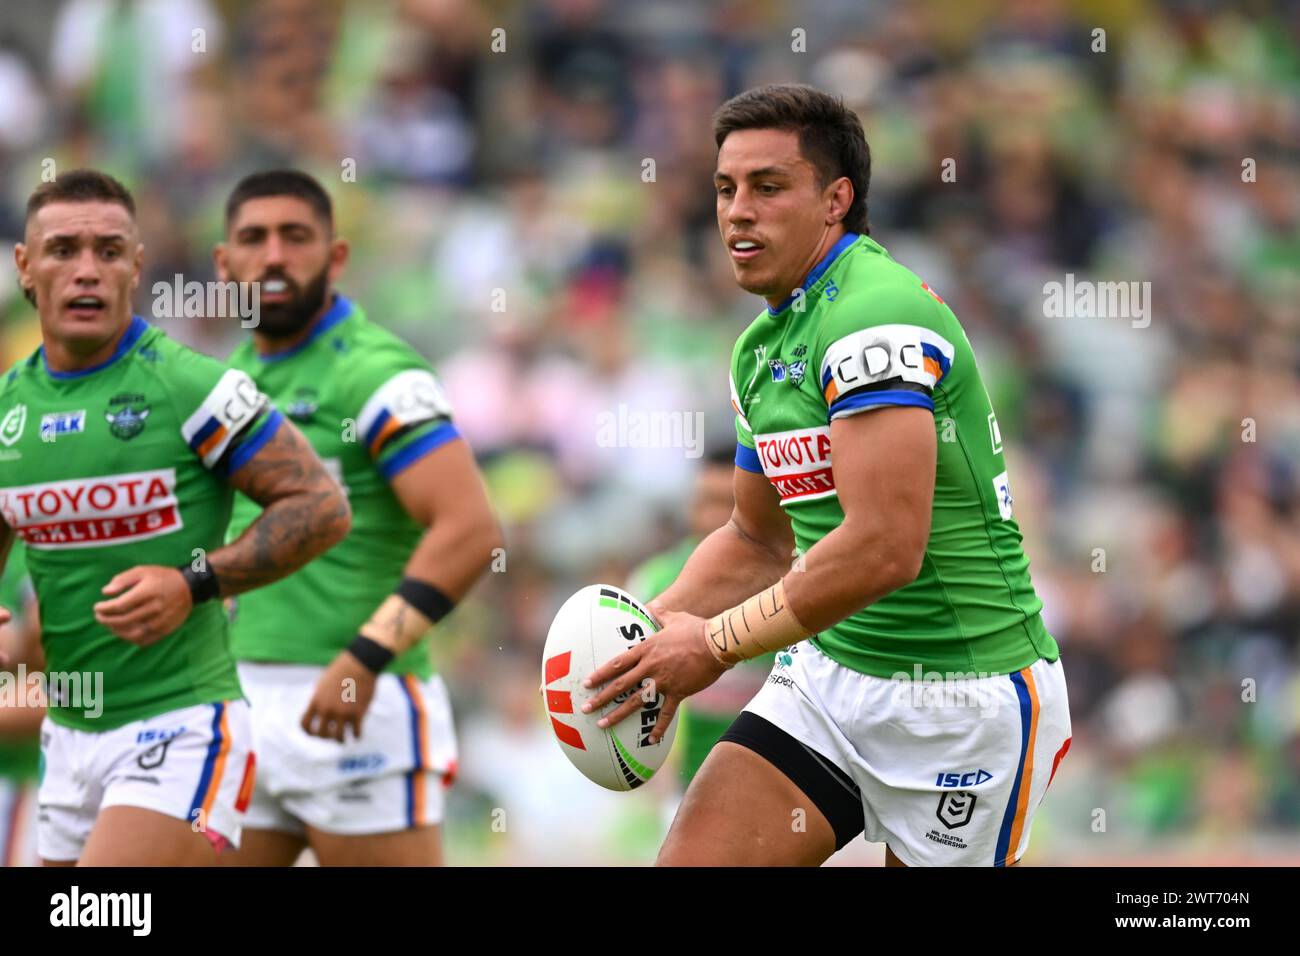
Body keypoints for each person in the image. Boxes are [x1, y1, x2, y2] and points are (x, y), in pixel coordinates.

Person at [585, 85, 1072, 867]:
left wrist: (709, 645)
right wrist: (635, 647)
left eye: (768, 187)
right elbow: (754, 539)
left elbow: (884, 549)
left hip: (961, 699)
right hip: (828, 681)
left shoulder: (874, 317)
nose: (738, 210)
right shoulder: (759, 348)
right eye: (725, 188)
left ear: (836, 200)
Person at [2, 168, 352, 865]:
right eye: (63, 250)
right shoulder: (8, 409)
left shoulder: (194, 387)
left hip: (181, 727)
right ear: (25, 268)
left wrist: (192, 582)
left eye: (108, 251)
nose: (86, 272)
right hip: (67, 744)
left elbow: (321, 507)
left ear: (138, 265)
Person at [213, 170, 502, 867]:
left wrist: (367, 654)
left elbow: (470, 530)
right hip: (244, 699)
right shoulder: (230, 377)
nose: (274, 256)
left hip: (354, 700)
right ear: (224, 265)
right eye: (254, 238)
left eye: (296, 236)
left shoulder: (374, 372)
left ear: (336, 258)